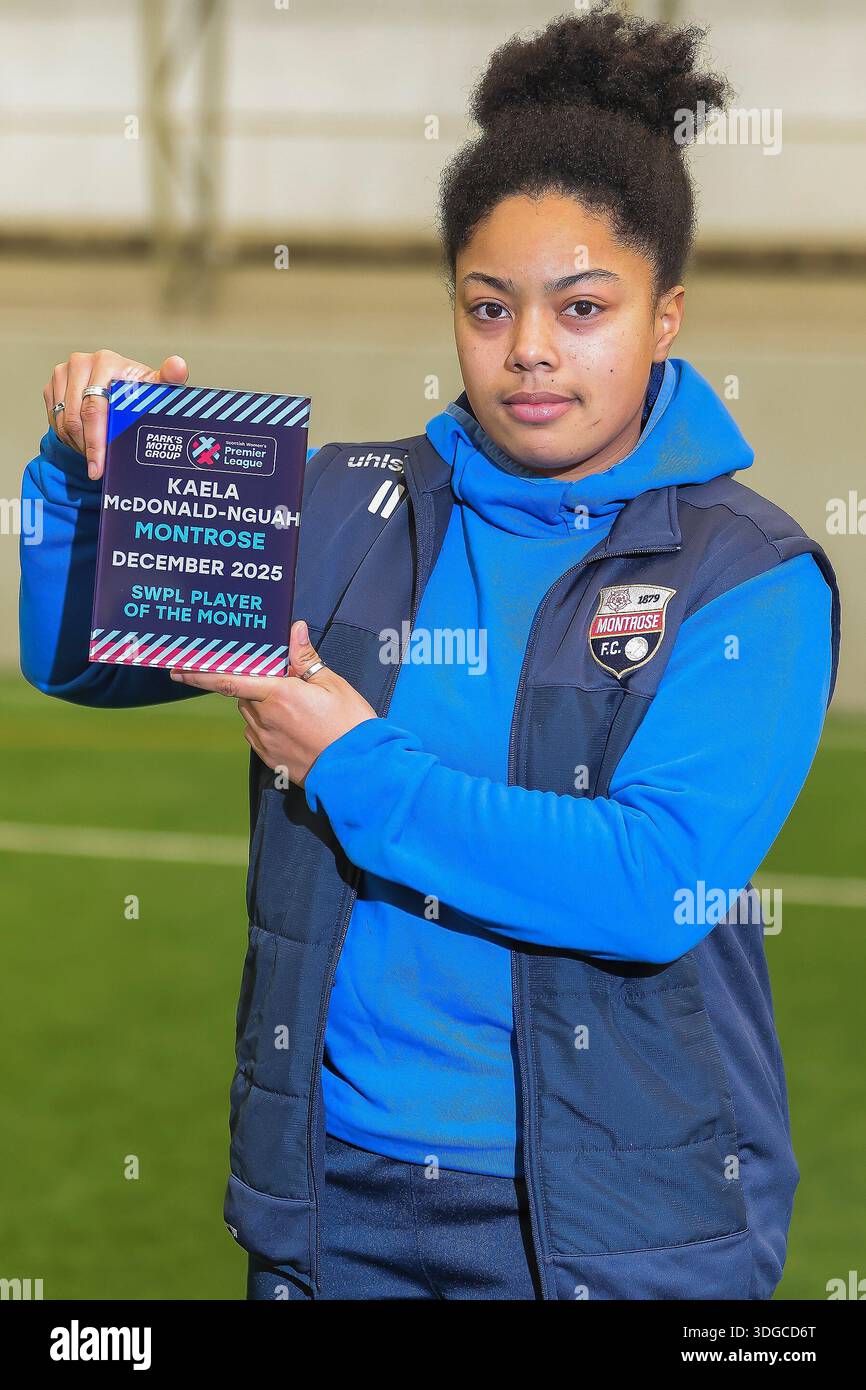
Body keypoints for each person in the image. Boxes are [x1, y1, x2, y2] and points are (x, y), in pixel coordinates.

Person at [19, 3, 841, 1300]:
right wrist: (82, 480)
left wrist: (353, 763)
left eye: (581, 308)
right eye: (486, 304)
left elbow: (654, 884)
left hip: (613, 1227)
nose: (527, 350)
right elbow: (81, 657)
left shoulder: (747, 573)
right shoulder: (340, 504)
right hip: (331, 1198)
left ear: (665, 314)